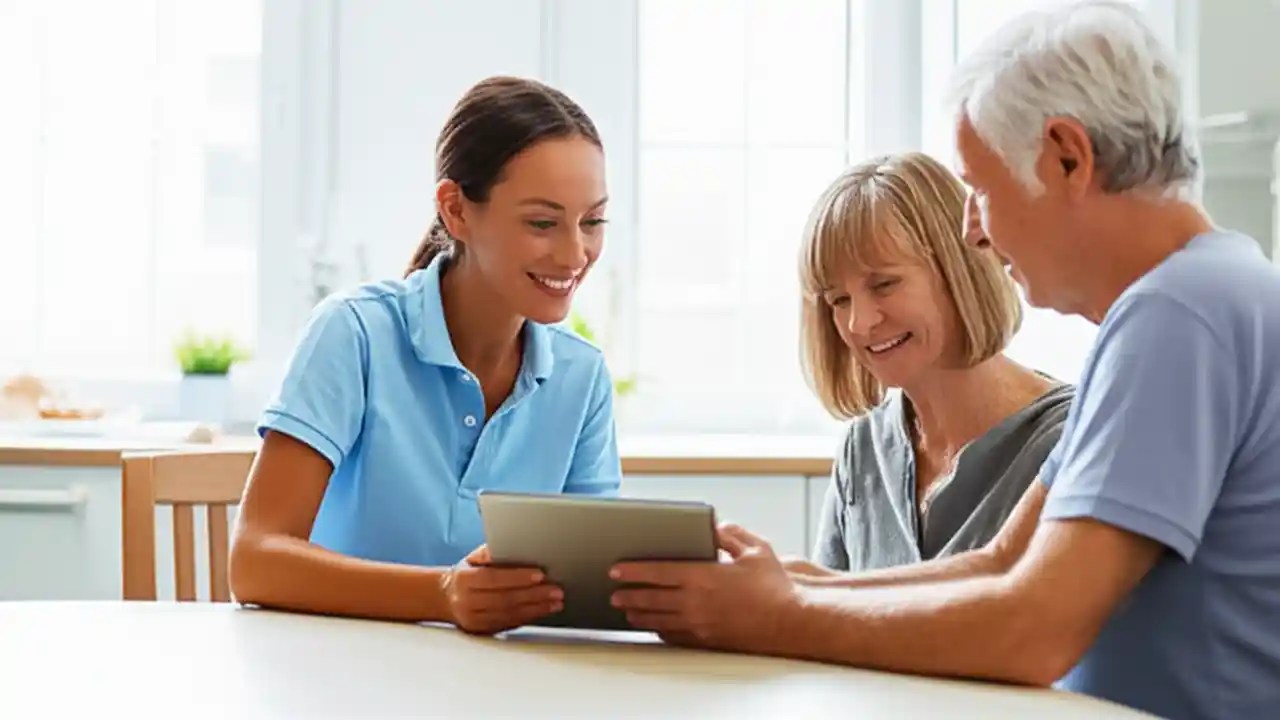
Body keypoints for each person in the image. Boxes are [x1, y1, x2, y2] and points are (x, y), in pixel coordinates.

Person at [609, 3, 1280, 718]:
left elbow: (1035, 627)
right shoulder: (1199, 294)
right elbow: (999, 565)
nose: (973, 230)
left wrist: (769, 618)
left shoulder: (1179, 313)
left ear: (1066, 158)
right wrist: (794, 583)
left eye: (980, 189)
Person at [230, 76, 622, 635]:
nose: (575, 253)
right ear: (456, 210)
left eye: (592, 222)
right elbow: (254, 561)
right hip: (336, 679)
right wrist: (443, 594)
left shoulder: (581, 377)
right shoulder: (355, 334)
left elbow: (591, 585)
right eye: (542, 223)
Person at [794, 152, 1071, 575]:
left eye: (884, 284)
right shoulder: (863, 449)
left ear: (956, 268)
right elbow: (819, 624)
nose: (859, 322)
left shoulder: (1066, 437)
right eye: (839, 300)